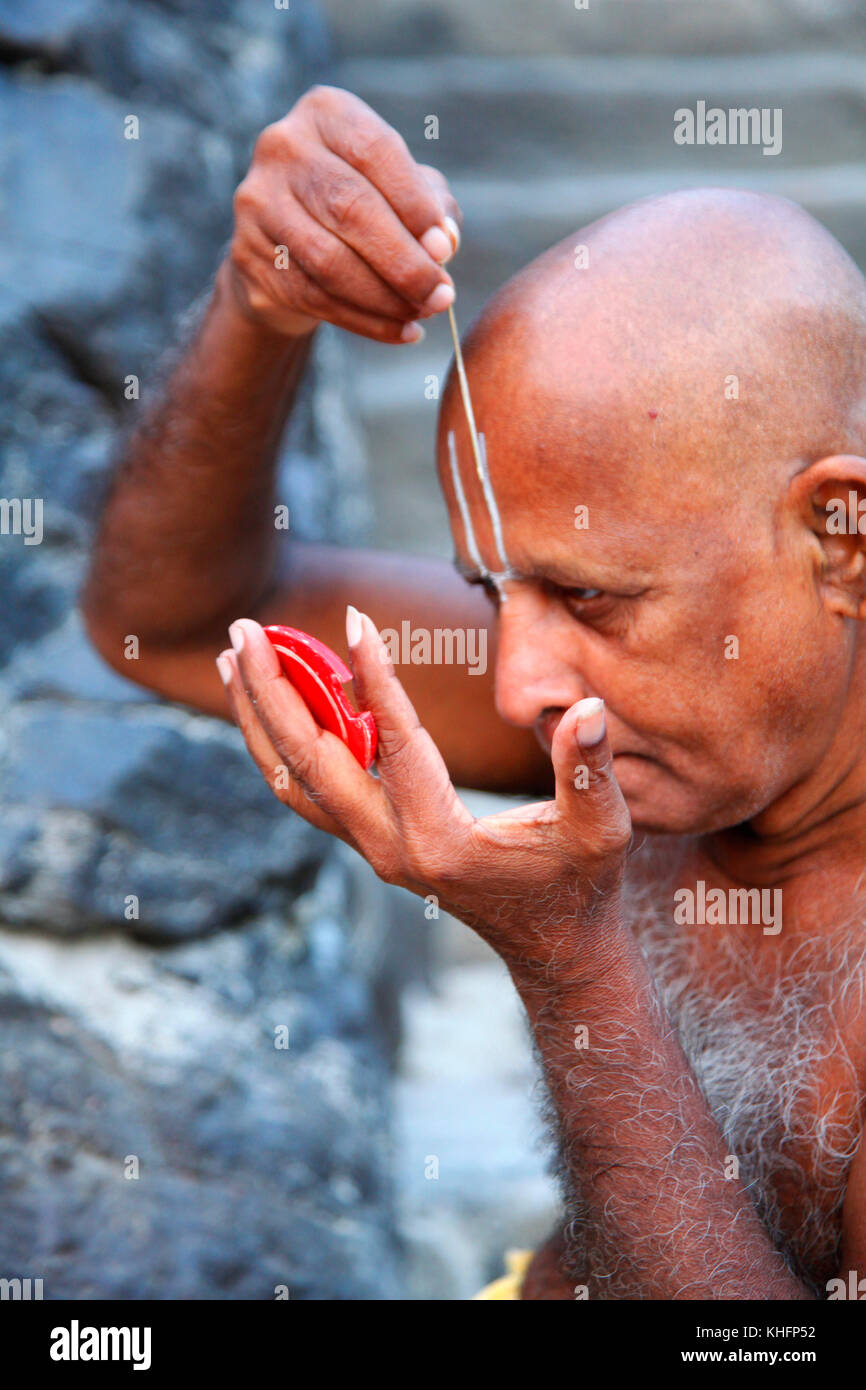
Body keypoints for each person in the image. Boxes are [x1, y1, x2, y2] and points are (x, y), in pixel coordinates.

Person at [83, 85, 866, 1300]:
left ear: (839, 541)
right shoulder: (680, 712)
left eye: (590, 597)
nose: (514, 688)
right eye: (495, 595)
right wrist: (257, 305)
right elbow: (162, 622)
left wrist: (571, 960)